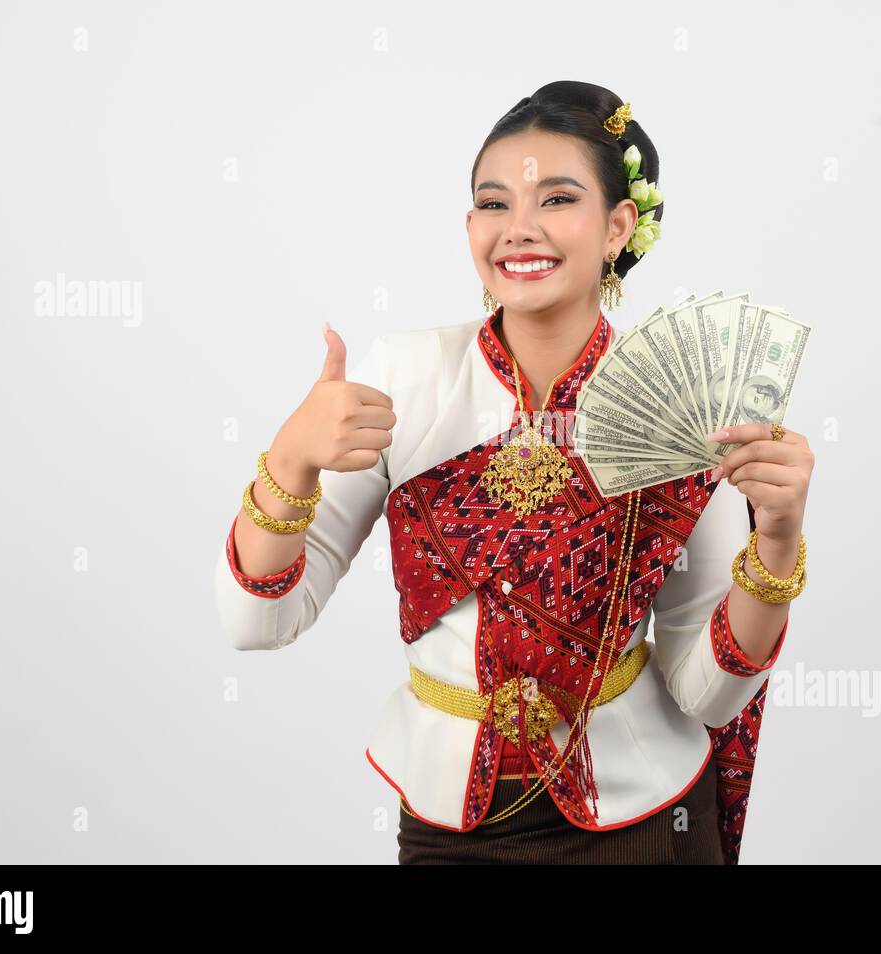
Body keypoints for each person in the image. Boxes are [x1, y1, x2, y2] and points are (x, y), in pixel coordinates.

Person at [214, 81, 816, 864]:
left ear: (618, 226)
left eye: (558, 198)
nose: (518, 229)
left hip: (643, 822)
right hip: (445, 824)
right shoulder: (404, 377)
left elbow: (708, 694)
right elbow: (259, 623)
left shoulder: (681, 406)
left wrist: (776, 542)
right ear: (469, 226)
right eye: (492, 204)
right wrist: (289, 459)